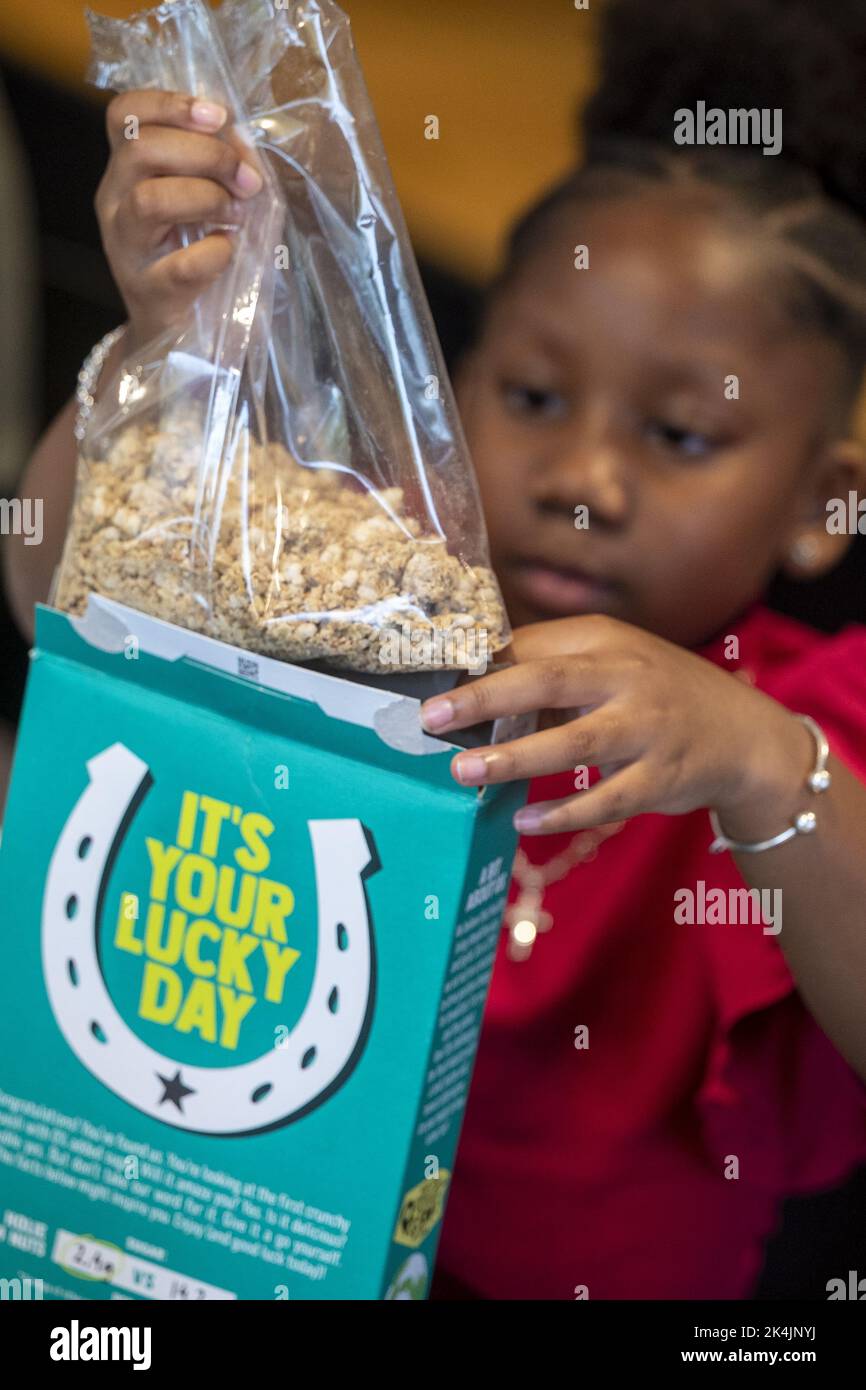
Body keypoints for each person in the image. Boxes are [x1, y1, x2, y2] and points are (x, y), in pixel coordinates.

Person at [5, 0, 866, 1300]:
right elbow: (57, 589)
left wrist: (757, 765)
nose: (584, 476)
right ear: (454, 377)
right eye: (530, 396)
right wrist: (168, 347)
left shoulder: (805, 722)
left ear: (821, 503)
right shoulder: (378, 587)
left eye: (680, 436)